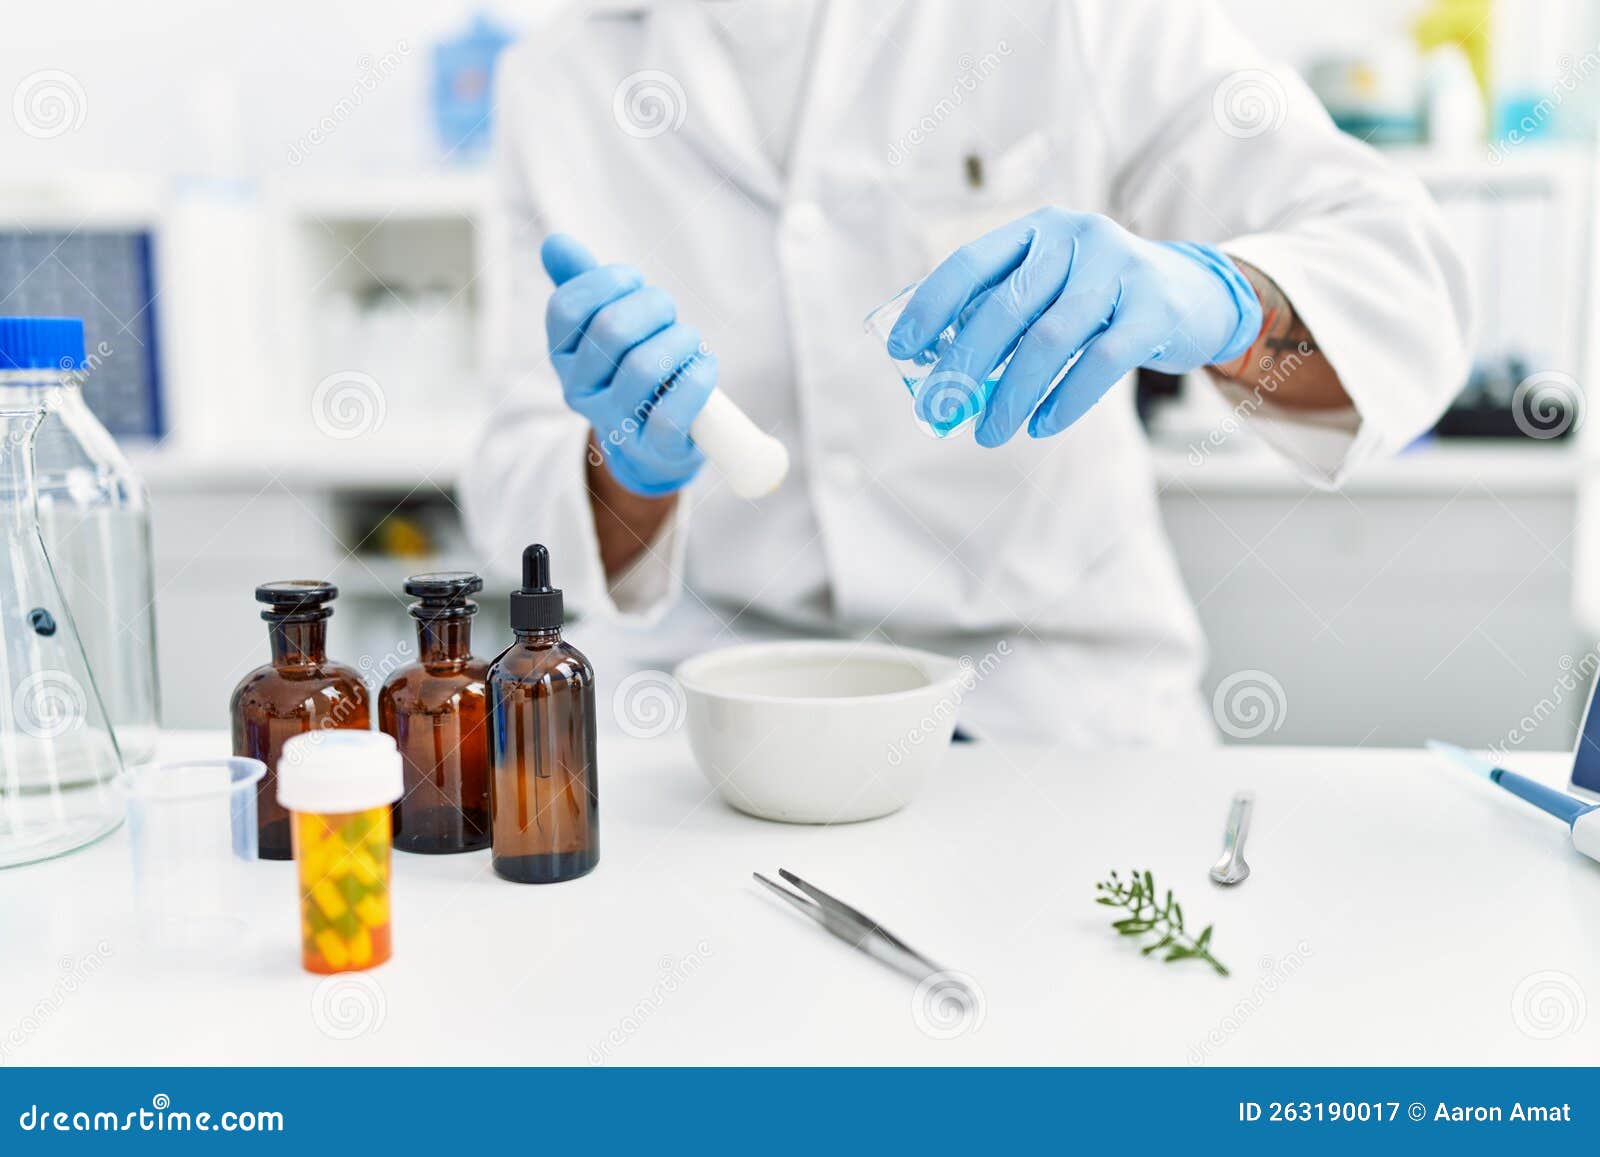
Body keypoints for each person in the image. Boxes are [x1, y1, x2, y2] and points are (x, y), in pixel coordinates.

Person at [462, 0, 1472, 745]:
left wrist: (1223, 300)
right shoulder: (557, 80)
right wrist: (628, 468)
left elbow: (1403, 287)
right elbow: (513, 488)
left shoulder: (1079, 17)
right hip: (713, 694)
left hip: (1055, 699)